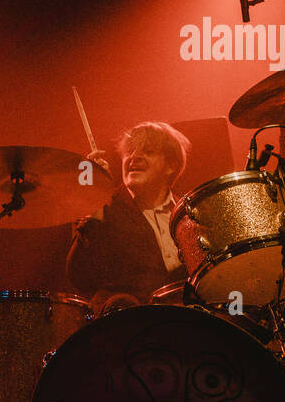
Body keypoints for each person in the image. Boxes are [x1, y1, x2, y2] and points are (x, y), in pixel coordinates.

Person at [66, 121, 193, 316]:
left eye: (148, 151)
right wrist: (96, 198)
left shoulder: (187, 212)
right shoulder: (103, 208)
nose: (134, 158)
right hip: (126, 326)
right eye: (130, 152)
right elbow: (81, 278)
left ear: (171, 165)